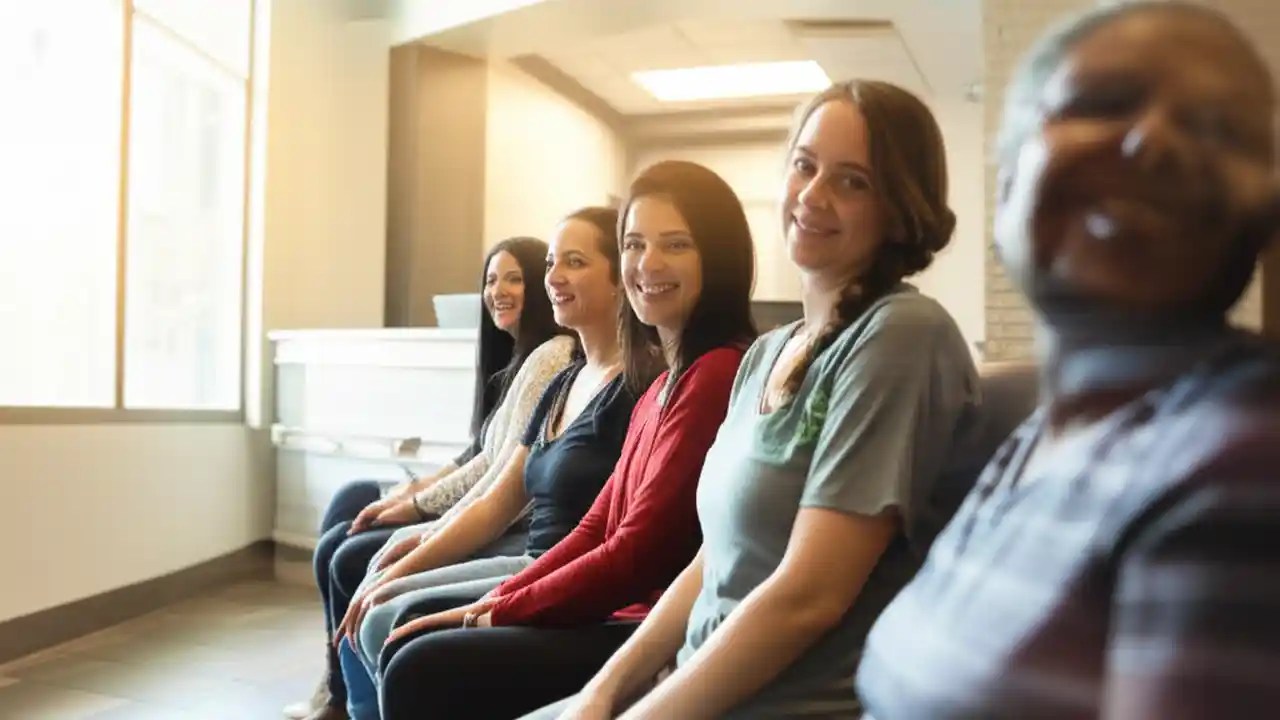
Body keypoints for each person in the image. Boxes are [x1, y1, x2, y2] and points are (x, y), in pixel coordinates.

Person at [855, 4, 1280, 719]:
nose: (1155, 142)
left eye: (1220, 130)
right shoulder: (1037, 440)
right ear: (1008, 177)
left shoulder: (1241, 462)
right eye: (1104, 104)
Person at [531, 79, 980, 719]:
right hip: (692, 687)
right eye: (805, 165)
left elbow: (808, 596)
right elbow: (715, 556)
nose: (814, 195)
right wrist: (603, 693)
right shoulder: (767, 353)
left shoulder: (901, 337)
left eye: (853, 181)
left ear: (900, 207)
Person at [375, 160, 759, 719]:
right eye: (634, 244)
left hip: (644, 629)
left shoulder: (718, 373)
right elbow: (594, 526)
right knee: (418, 639)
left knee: (419, 668)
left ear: (716, 258)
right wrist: (496, 602)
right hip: (618, 611)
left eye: (675, 245)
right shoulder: (661, 386)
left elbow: (636, 553)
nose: (647, 264)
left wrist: (493, 614)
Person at [333, 207, 648, 720]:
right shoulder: (565, 381)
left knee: (387, 622)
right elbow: (495, 500)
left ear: (619, 280)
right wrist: (399, 566)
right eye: (551, 263)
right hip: (526, 558)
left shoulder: (637, 385)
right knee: (377, 600)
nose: (555, 277)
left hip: (559, 573)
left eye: (574, 261)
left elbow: (616, 541)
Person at [290, 236, 574, 719]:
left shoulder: (551, 357)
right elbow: (476, 453)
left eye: (513, 278)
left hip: (508, 525)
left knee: (348, 553)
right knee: (348, 508)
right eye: (490, 279)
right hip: (483, 507)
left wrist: (421, 512)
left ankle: (344, 697)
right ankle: (337, 686)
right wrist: (414, 492)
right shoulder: (514, 361)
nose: (498, 291)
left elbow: (498, 476)